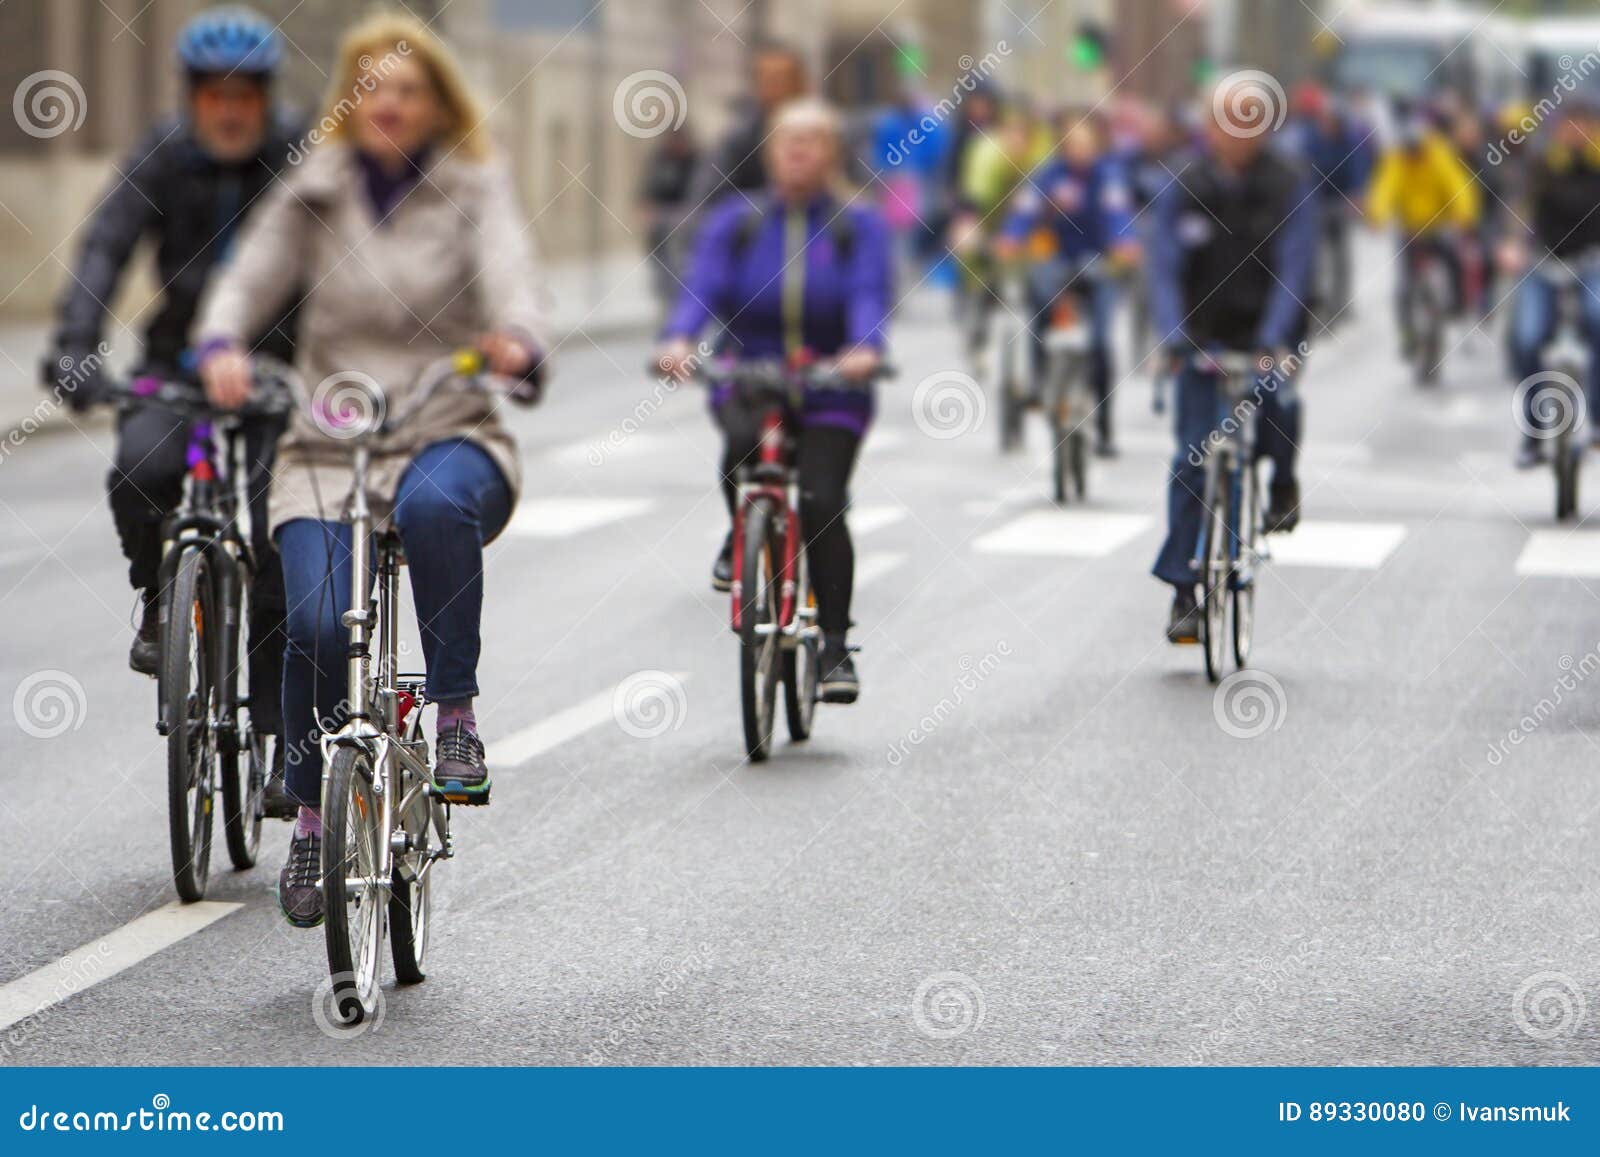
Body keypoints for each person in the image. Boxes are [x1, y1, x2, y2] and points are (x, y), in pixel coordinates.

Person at [195, 14, 546, 927]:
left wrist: (517, 339)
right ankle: (312, 818)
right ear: (350, 103)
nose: (389, 104)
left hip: (446, 423)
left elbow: (510, 272)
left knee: (434, 509)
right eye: (373, 89)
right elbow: (249, 276)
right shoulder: (312, 193)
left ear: (436, 105)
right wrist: (225, 341)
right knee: (313, 620)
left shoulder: (473, 188)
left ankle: (455, 716)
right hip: (326, 445)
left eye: (408, 90)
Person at [44, 6, 299, 809]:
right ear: (191, 97)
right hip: (175, 363)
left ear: (265, 98)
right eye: (213, 94)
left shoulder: (299, 159)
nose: (229, 110)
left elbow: (344, 259)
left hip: (278, 369)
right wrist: (76, 349)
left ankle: (278, 740)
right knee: (141, 469)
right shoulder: (161, 153)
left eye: (244, 96)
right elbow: (103, 248)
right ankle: (160, 598)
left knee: (283, 539)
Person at [656, 99, 892, 704]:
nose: (799, 152)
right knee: (742, 441)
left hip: (830, 378)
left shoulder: (854, 225)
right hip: (751, 368)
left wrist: (862, 349)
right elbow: (701, 288)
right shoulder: (737, 223)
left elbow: (868, 295)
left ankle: (835, 644)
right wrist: (681, 339)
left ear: (831, 154)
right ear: (771, 151)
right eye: (789, 141)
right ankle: (744, 534)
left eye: (813, 142)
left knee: (821, 497)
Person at [1148, 76, 1317, 643]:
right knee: (1192, 457)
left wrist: (1274, 340)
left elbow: (1295, 268)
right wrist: (1173, 337)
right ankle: (1182, 589)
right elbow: (1165, 266)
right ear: (1208, 126)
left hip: (1266, 333)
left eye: (1250, 119)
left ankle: (1283, 484)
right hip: (1201, 339)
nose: (1237, 132)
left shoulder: (1288, 184)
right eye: (1225, 118)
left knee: (1280, 404)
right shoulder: (1183, 182)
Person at [996, 111, 1140, 456]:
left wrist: (1125, 242)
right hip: (1055, 259)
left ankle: (1104, 424)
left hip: (1095, 261)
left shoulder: (1108, 178)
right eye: (1073, 143)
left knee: (1101, 342)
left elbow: (1118, 215)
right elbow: (1024, 212)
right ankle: (1040, 379)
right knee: (1040, 312)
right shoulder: (1047, 176)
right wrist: (1012, 237)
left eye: (1086, 143)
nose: (1080, 150)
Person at [1503, 97, 1600, 466]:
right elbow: (1519, 207)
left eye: (1583, 125)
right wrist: (1512, 245)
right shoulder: (1540, 164)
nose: (1576, 133)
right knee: (1527, 338)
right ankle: (1532, 433)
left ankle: (1598, 422)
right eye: (1568, 126)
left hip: (1593, 263)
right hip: (1543, 263)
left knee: (1597, 320)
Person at [1366, 111, 1480, 360]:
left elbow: (1458, 185)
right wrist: (1377, 215)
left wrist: (1464, 215)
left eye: (1417, 149)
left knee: (1456, 263)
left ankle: (1458, 308)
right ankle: (1407, 335)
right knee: (1403, 288)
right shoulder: (1396, 159)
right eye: (1409, 150)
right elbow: (1385, 188)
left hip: (1439, 227)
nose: (1413, 155)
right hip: (1410, 229)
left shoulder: (1439, 154)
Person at [1286, 83, 1375, 330]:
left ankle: (1341, 303)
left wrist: (1357, 195)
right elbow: (1302, 169)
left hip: (1341, 199)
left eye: (1333, 120)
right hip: (1317, 200)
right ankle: (1316, 305)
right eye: (1325, 119)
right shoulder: (1311, 138)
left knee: (1341, 254)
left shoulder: (1351, 139)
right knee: (1316, 256)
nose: (1329, 124)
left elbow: (1359, 169)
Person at [684, 41, 808, 214]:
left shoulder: (827, 135)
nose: (776, 89)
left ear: (801, 84)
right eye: (769, 81)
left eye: (783, 80)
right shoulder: (737, 142)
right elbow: (705, 201)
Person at [638, 123, 701, 315]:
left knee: (685, 270)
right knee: (664, 276)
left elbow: (702, 193)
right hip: (661, 234)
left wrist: (688, 214)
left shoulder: (697, 161)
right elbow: (646, 194)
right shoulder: (659, 161)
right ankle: (669, 310)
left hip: (687, 230)